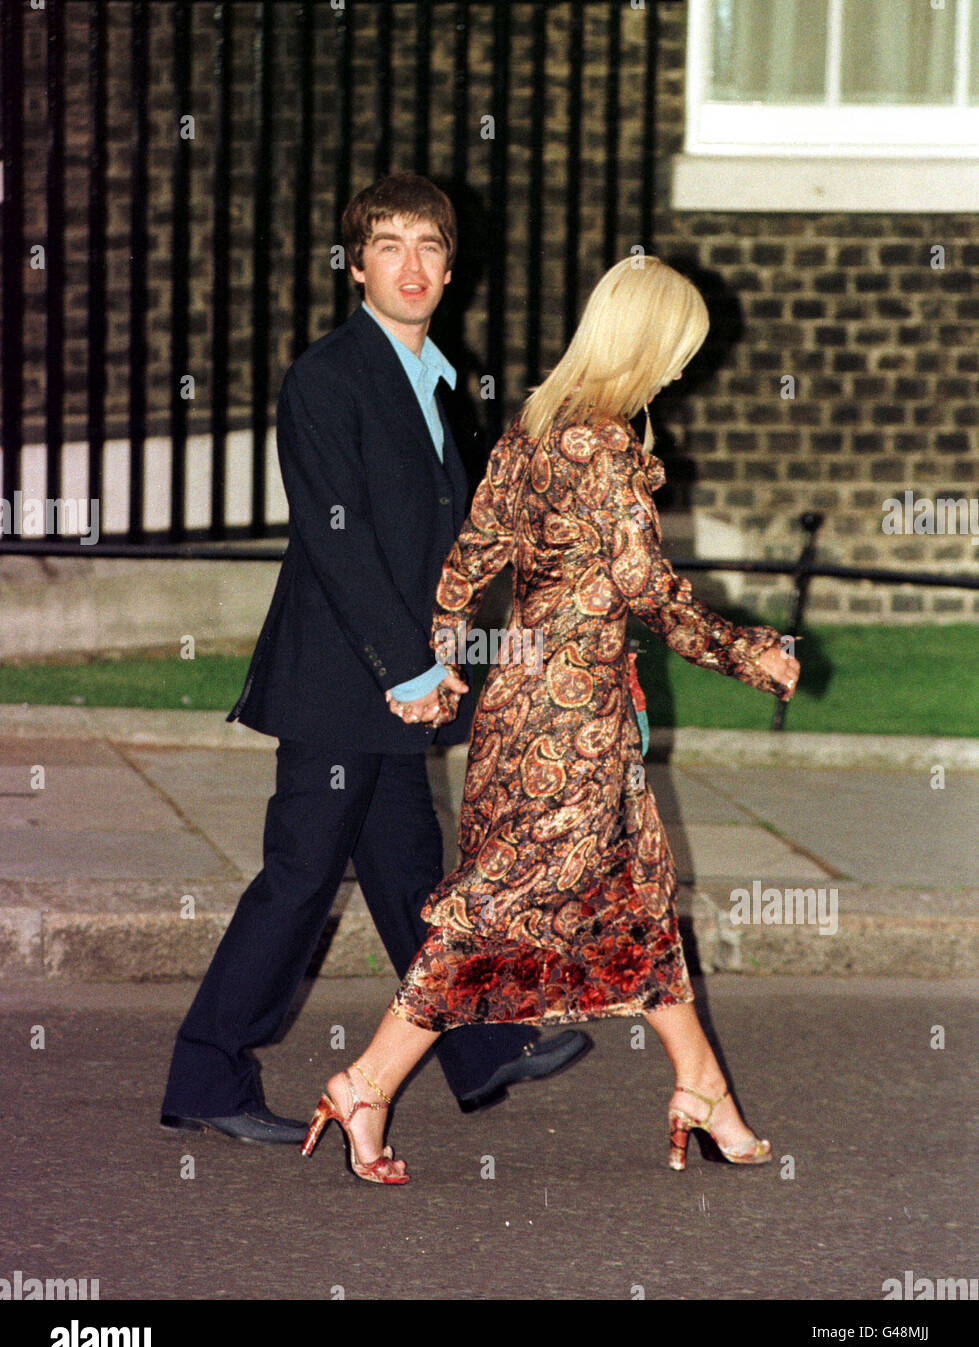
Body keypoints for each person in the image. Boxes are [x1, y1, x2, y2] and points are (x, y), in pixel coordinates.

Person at [299, 253, 801, 1182]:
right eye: (679, 348)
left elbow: (466, 561)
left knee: (636, 906)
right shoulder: (599, 449)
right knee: (495, 907)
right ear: (646, 343)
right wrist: (749, 652)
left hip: (527, 708)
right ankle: (365, 1082)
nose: (682, 368)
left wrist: (438, 662)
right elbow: (645, 586)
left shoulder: (536, 427)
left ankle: (702, 1087)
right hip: (571, 727)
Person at [159, 174, 588, 1143]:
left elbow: (436, 538)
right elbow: (338, 542)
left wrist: (455, 641)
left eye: (429, 246)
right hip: (339, 685)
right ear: (355, 267)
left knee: (406, 869)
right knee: (301, 876)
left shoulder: (436, 378)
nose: (411, 265)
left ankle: (479, 1046)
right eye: (388, 245)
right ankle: (208, 1073)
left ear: (448, 266)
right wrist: (409, 668)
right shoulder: (326, 377)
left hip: (399, 676)